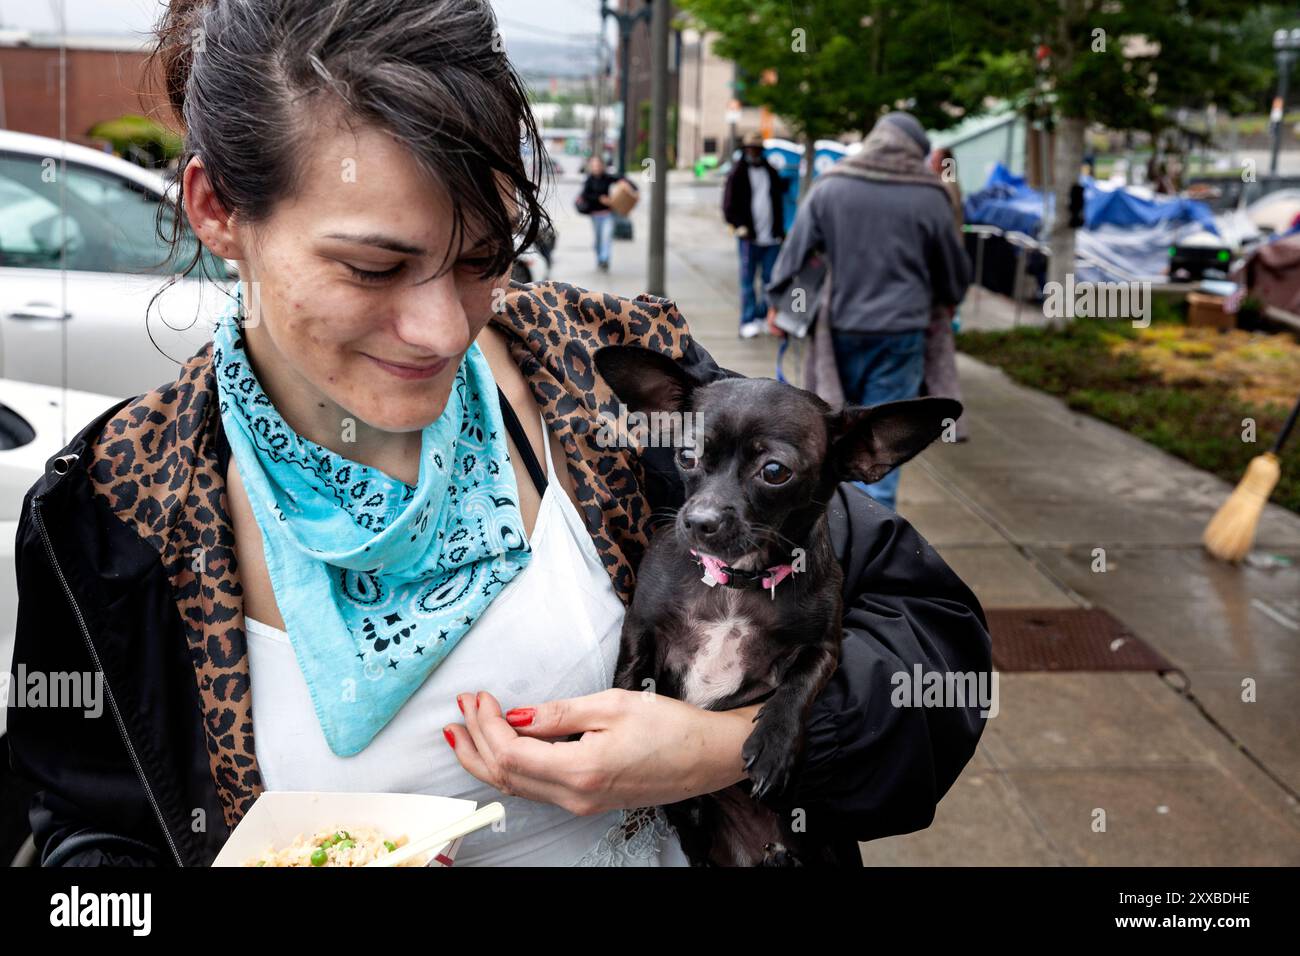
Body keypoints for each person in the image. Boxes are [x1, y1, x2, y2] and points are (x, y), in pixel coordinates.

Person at [8, 0, 990, 868]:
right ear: (218, 209)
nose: (444, 329)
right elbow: (92, 839)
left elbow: (935, 655)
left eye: (484, 258)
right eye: (373, 267)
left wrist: (723, 746)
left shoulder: (624, 382)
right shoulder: (111, 510)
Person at [767, 112, 971, 511]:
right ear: (917, 149)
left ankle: (831, 542)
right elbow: (954, 277)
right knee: (879, 449)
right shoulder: (931, 194)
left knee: (826, 441)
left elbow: (791, 259)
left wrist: (780, 308)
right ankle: (872, 550)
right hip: (902, 334)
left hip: (837, 331)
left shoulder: (831, 186)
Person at [923, 146, 969, 442]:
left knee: (939, 360)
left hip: (936, 285)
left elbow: (945, 239)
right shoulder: (950, 186)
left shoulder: (942, 189)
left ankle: (950, 425)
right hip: (942, 283)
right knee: (938, 358)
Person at [723, 131, 786, 338]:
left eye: (757, 149)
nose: (753, 152)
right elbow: (728, 205)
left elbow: (780, 198)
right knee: (748, 282)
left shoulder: (770, 171)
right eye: (750, 149)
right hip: (749, 237)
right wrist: (738, 225)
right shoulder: (737, 173)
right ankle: (747, 320)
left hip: (772, 237)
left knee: (770, 282)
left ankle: (761, 316)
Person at [575, 154, 634, 272]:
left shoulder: (608, 178)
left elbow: (623, 179)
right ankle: (599, 259)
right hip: (595, 216)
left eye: (598, 165)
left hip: (607, 214)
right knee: (598, 240)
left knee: (606, 238)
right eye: (594, 165)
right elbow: (585, 196)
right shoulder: (589, 180)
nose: (596, 167)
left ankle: (605, 259)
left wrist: (625, 185)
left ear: (602, 166)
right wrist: (599, 199)